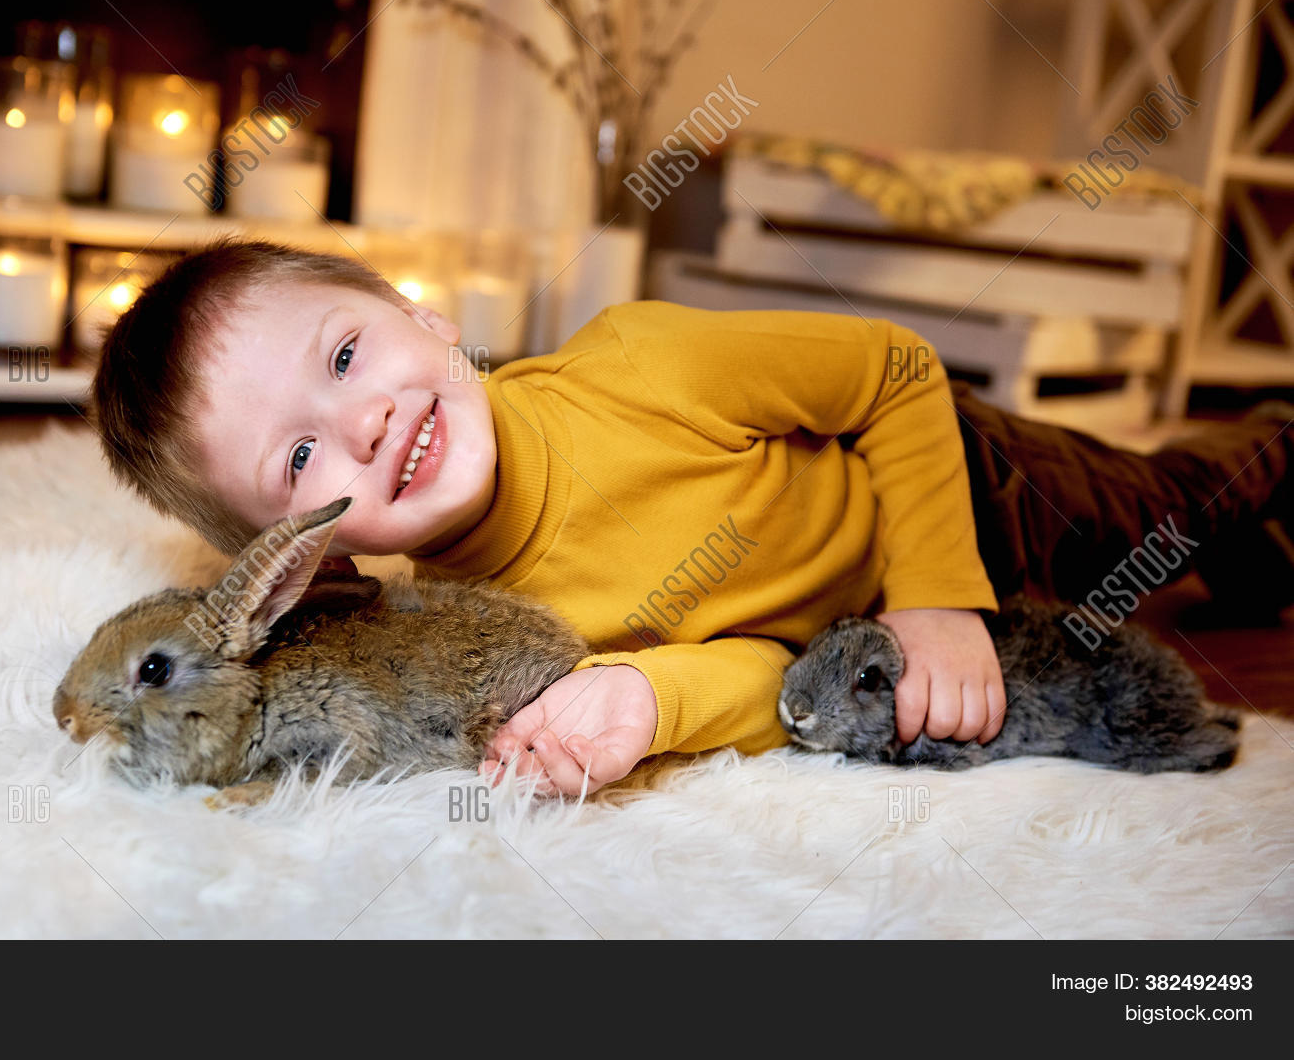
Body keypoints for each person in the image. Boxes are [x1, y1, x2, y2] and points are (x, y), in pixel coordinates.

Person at [91, 239, 1293, 797]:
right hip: (856, 627)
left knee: (1172, 514)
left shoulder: (642, 366)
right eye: (299, 451)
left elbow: (896, 371)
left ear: (428, 315)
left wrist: (935, 592)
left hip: (966, 476)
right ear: (304, 551)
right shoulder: (479, 635)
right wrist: (646, 703)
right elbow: (764, 670)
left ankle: (1271, 444)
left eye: (348, 352)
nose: (360, 422)